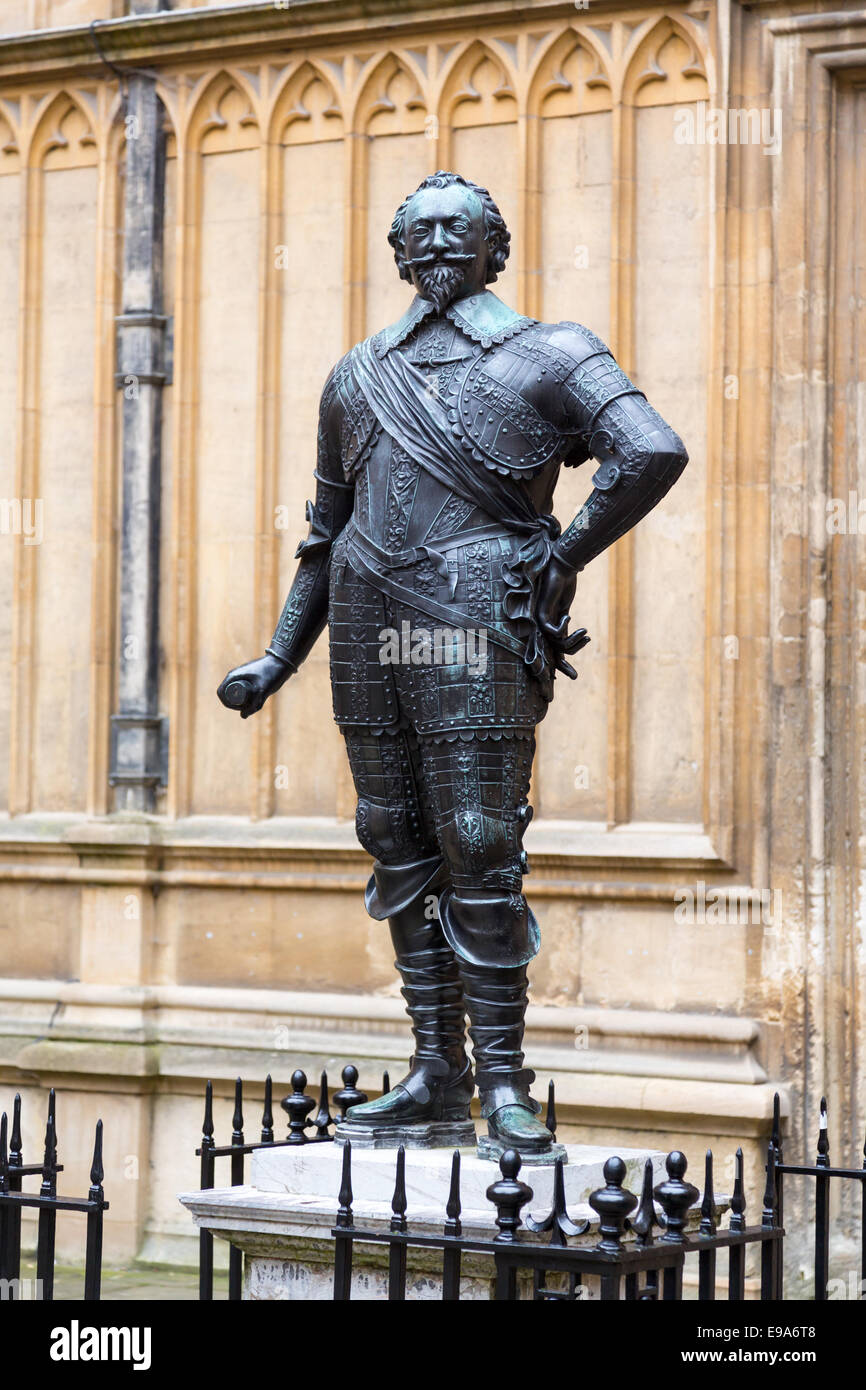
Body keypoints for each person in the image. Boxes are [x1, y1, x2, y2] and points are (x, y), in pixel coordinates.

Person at [218, 171, 688, 1158]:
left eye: (455, 230)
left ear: (494, 248)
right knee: (393, 838)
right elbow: (324, 528)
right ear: (395, 252)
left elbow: (647, 450)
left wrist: (559, 559)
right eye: (417, 232)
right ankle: (437, 1072)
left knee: (476, 835)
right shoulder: (355, 373)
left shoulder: (552, 351)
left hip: (474, 617)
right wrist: (276, 655)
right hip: (360, 617)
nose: (434, 245)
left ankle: (505, 1087)